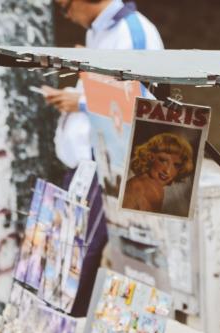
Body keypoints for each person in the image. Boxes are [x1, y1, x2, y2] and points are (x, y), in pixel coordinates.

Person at [43, 0, 163, 316]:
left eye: (64, 6)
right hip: (88, 163)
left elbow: (142, 104)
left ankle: (65, 331)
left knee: (79, 254)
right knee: (67, 252)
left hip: (111, 165)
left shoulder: (133, 32)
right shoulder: (101, 33)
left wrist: (80, 102)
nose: (66, 14)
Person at [121, 132, 193, 213]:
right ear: (150, 157)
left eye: (176, 165)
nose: (167, 171)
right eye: (163, 160)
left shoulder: (137, 182)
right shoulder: (152, 188)